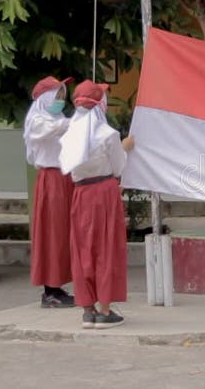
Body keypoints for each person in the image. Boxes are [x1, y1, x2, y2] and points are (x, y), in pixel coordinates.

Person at [59, 80, 134, 329]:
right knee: (106, 247)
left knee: (83, 249)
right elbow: (118, 167)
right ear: (99, 105)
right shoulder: (108, 134)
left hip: (80, 194)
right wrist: (125, 147)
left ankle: (87, 310)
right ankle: (105, 309)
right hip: (104, 192)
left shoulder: (69, 134)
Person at [23, 75, 76, 308]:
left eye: (63, 96)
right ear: (45, 98)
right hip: (51, 179)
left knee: (64, 234)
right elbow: (51, 130)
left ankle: (58, 286)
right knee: (51, 234)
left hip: (66, 178)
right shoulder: (38, 120)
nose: (61, 101)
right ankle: (49, 290)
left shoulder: (59, 117)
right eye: (58, 95)